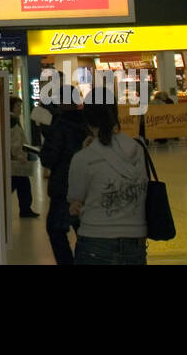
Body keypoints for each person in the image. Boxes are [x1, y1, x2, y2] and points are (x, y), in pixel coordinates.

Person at [67, 103, 149, 265]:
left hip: (96, 240)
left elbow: (76, 198)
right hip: (135, 240)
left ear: (89, 124)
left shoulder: (84, 158)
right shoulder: (138, 149)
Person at [38, 100, 88, 265]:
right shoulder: (87, 124)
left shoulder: (59, 126)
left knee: (56, 229)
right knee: (83, 230)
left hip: (63, 187)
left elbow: (49, 158)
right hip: (86, 186)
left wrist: (45, 131)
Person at [9, 96, 38, 219]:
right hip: (17, 161)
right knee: (20, 185)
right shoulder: (12, 121)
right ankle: (25, 209)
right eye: (18, 106)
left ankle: (25, 209)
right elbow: (14, 143)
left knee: (22, 185)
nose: (20, 108)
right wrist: (19, 156)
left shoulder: (11, 119)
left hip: (16, 160)